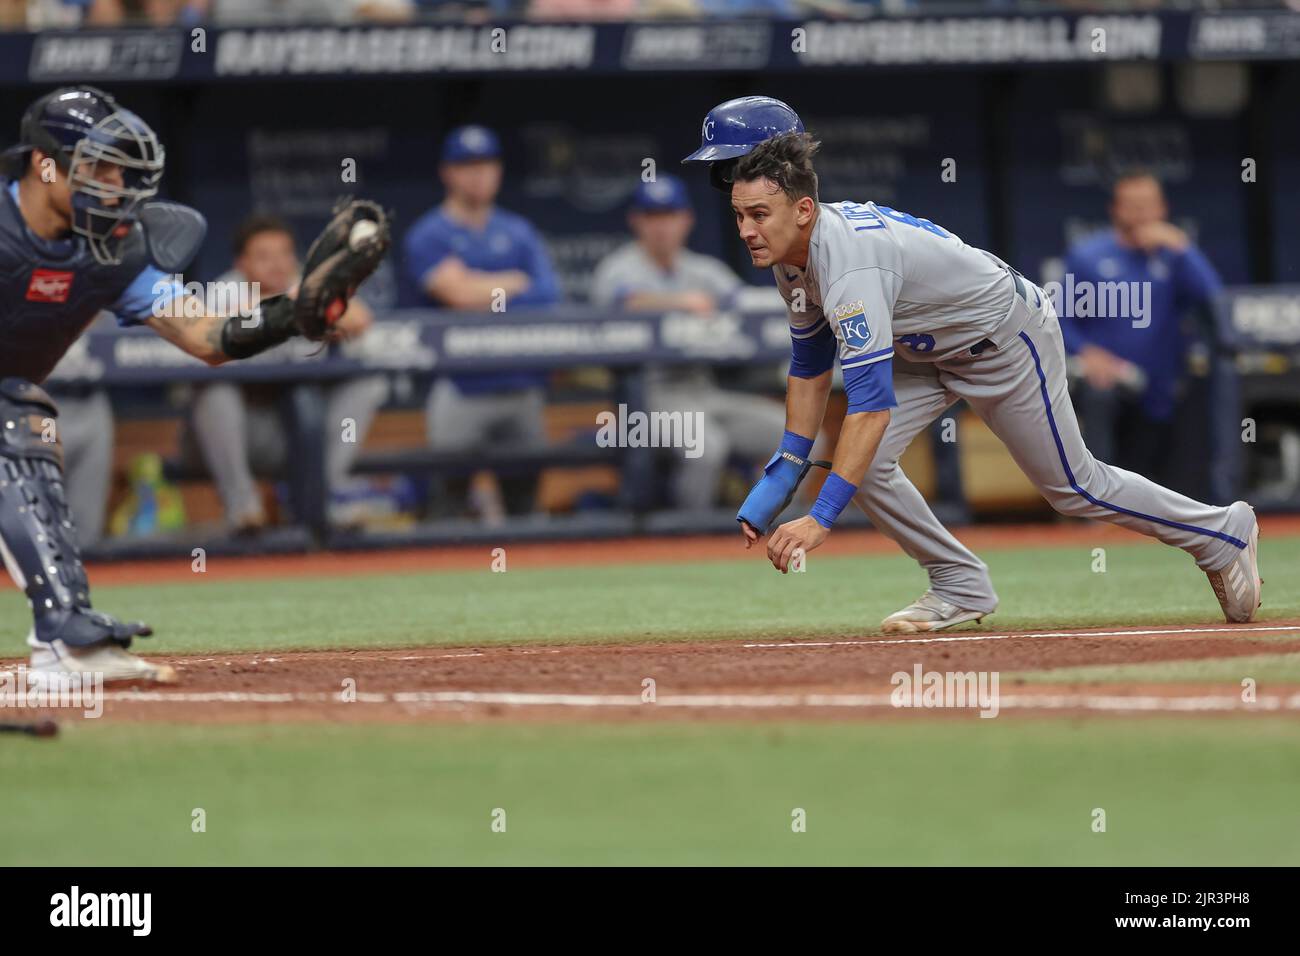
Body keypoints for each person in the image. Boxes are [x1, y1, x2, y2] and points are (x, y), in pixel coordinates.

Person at [680, 96, 1261, 631]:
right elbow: (810, 363)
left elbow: (871, 405)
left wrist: (820, 516)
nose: (745, 230)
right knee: (867, 464)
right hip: (926, 347)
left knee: (1071, 487)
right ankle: (958, 583)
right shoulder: (791, 254)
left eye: (757, 212)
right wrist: (786, 468)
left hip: (1003, 341)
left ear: (801, 207)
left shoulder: (848, 266)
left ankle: (1219, 533)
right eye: (739, 214)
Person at [0, 86, 385, 682]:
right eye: (95, 166)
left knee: (19, 412)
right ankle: (65, 637)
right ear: (44, 165)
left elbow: (206, 336)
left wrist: (294, 313)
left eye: (118, 170)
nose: (113, 184)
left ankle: (65, 640)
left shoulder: (112, 253)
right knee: (15, 411)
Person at [590, 174, 788, 510]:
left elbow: (747, 303)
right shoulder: (618, 269)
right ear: (636, 221)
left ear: (686, 220)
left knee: (793, 436)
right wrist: (681, 303)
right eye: (652, 216)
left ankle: (768, 522)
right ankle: (690, 542)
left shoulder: (704, 270)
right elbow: (620, 303)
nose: (662, 226)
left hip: (703, 390)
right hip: (648, 399)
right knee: (707, 446)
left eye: (669, 215)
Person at [181, 214, 387, 532]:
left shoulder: (307, 281)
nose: (277, 264)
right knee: (214, 390)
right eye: (264, 257)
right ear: (242, 263)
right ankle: (243, 507)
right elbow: (217, 329)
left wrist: (313, 297)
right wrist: (300, 310)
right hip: (241, 432)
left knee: (365, 382)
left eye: (284, 254)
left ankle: (326, 495)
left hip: (300, 432)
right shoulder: (226, 290)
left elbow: (360, 319)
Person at [402, 125, 561, 519]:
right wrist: (511, 281)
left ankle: (527, 579)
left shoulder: (518, 231)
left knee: (526, 503)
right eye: (466, 165)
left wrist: (477, 286)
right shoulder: (429, 234)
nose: (477, 174)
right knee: (449, 500)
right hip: (459, 385)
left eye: (486, 164)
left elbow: (547, 294)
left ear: (498, 171)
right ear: (447, 173)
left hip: (520, 382)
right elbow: (454, 295)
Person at [1062, 171, 1224, 488]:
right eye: (1132, 206)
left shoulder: (1174, 254)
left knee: (1163, 467)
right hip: (1109, 383)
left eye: (1148, 205)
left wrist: (1183, 248)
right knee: (1099, 399)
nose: (1141, 215)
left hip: (1163, 386)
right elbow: (1058, 320)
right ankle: (1096, 508)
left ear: (1163, 209)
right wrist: (1086, 353)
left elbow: (1213, 298)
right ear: (1115, 210)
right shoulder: (1088, 256)